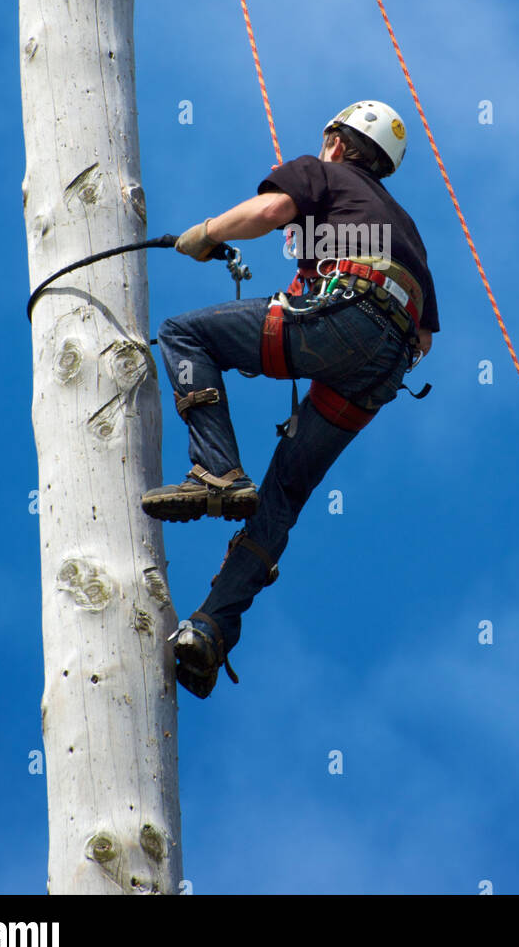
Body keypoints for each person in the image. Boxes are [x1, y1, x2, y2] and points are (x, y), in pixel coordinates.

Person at [141, 99, 439, 697]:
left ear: (336, 141)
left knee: (183, 333)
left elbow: (273, 209)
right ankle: (210, 628)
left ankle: (218, 472)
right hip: (384, 365)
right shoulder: (402, 225)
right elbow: (426, 337)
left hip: (346, 316)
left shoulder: (323, 172)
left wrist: (205, 234)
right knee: (284, 495)